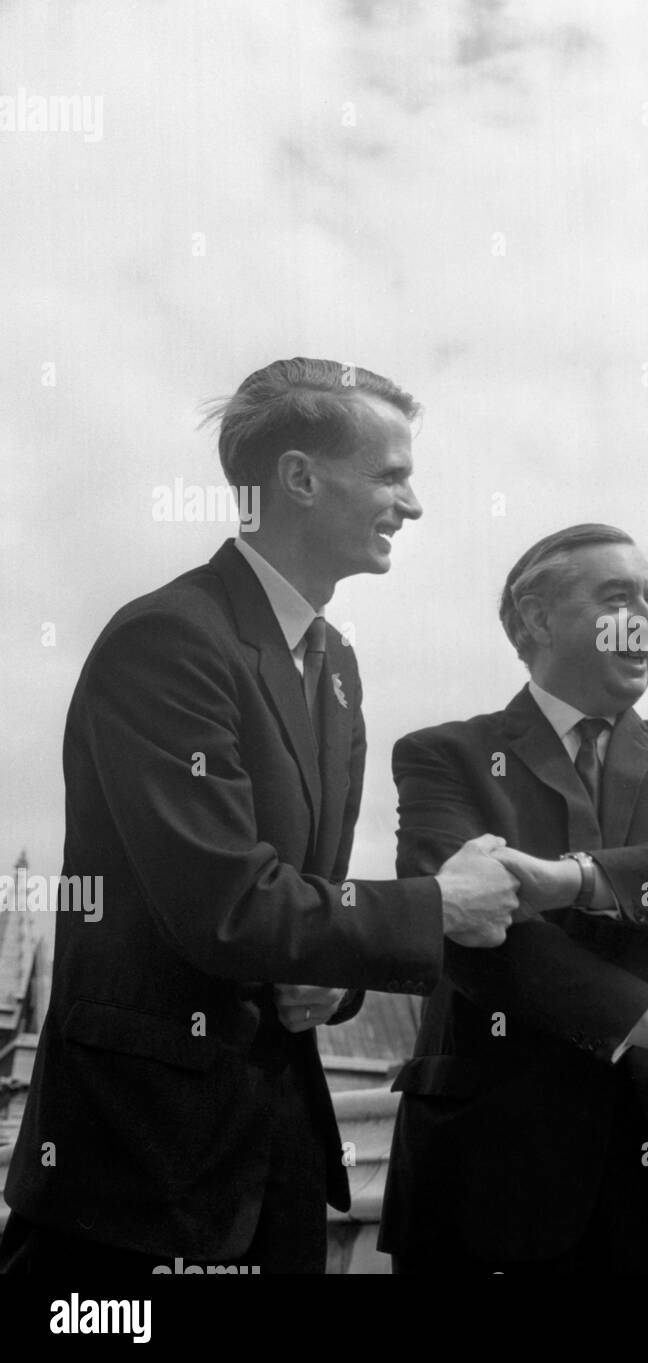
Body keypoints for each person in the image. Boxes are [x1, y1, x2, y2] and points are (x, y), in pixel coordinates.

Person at [1, 358, 518, 1274]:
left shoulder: (340, 670)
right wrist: (437, 905)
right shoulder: (168, 638)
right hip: (135, 1171)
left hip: (272, 1163)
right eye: (393, 474)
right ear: (300, 478)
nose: (414, 504)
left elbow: (304, 902)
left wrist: (336, 985)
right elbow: (227, 904)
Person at [380, 523, 648, 1274]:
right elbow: (475, 941)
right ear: (535, 618)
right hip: (490, 1177)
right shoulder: (443, 756)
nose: (646, 619)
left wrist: (576, 877)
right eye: (617, 597)